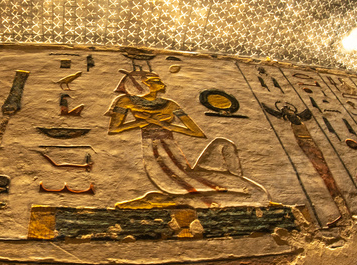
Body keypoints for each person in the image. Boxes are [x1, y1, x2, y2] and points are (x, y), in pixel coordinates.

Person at [105, 70, 269, 208]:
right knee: (258, 195)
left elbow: (197, 132)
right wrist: (145, 122)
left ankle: (223, 191)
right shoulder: (126, 101)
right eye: (155, 80)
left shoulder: (170, 104)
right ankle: (181, 199)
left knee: (223, 144)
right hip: (162, 165)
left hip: (182, 164)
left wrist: (169, 126)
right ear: (141, 85)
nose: (162, 83)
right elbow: (114, 129)